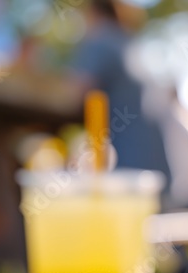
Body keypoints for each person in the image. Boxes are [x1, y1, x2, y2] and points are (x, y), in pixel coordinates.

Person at [70, 0, 171, 189]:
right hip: (162, 179)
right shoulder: (134, 46)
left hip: (130, 180)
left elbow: (75, 94)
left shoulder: (99, 40)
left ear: (92, 12)